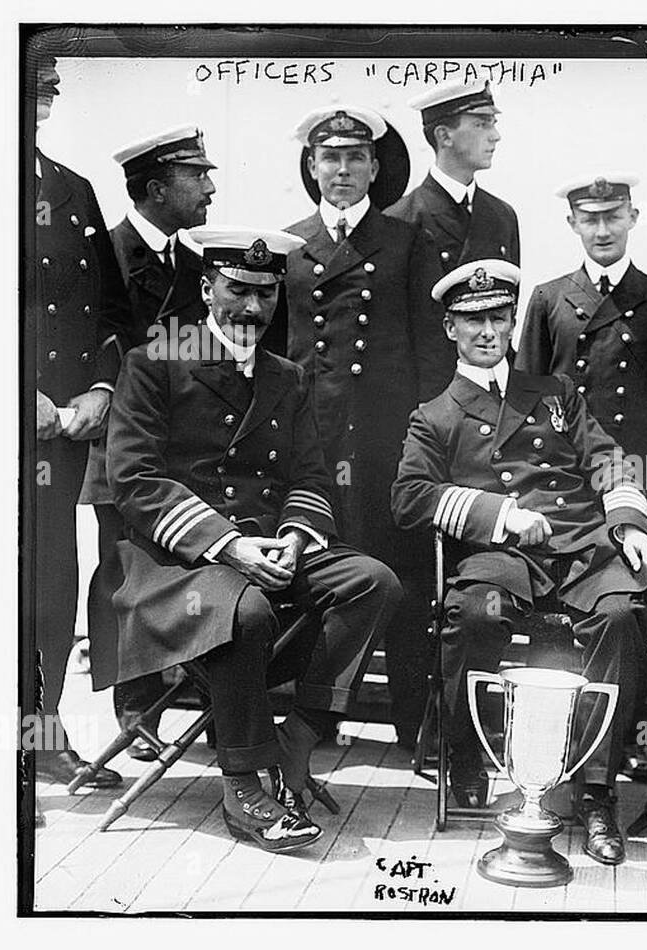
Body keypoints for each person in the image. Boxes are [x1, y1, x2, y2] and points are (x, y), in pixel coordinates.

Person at [105, 226, 402, 852]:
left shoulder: (286, 377)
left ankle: (300, 733)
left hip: (270, 548)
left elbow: (311, 476)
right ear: (207, 287)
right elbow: (133, 480)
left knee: (372, 582)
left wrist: (295, 539)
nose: (252, 309)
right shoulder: (154, 361)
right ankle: (242, 781)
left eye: (266, 295)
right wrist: (227, 545)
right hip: (177, 561)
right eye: (238, 290)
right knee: (248, 608)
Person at [391, 259, 647, 866]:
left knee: (620, 618)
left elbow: (608, 459)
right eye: (473, 320)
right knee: (476, 616)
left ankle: (595, 793)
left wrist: (631, 522)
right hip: (499, 559)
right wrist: (499, 515)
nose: (488, 331)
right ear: (450, 329)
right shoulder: (434, 414)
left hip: (579, 550)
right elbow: (409, 498)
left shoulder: (556, 393)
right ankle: (464, 757)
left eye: (498, 317)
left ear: (513, 321)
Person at [284, 104, 448, 750]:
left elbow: (432, 354)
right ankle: (316, 720)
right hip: (314, 449)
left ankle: (415, 724)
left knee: (405, 581)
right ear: (312, 166)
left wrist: (427, 449)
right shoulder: (289, 246)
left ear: (376, 167)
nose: (343, 170)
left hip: (390, 447)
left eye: (356, 158)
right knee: (323, 578)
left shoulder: (407, 242)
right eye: (331, 157)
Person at [516, 173, 647, 782]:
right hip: (567, 480)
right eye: (590, 219)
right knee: (558, 602)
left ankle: (630, 736)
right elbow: (527, 400)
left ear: (633, 217)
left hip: (636, 477)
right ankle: (556, 733)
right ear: (572, 226)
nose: (603, 229)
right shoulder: (546, 298)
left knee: (633, 605)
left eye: (613, 217)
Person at [84, 125, 218, 761]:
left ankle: (195, 696)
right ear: (158, 188)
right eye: (198, 178)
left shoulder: (198, 267)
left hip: (185, 446)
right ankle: (134, 710)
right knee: (121, 572)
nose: (211, 188)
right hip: (121, 446)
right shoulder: (102, 257)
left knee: (184, 567)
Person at [30, 54, 131, 790]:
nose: (42, 99)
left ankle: (37, 732)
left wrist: (99, 388)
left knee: (53, 587)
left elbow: (112, 313)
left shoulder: (71, 190)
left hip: (61, 432)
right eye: (31, 85)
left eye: (47, 89)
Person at [385, 81, 519, 271]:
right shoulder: (400, 220)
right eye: (481, 124)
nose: (495, 136)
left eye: (493, 124)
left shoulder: (503, 215)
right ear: (444, 136)